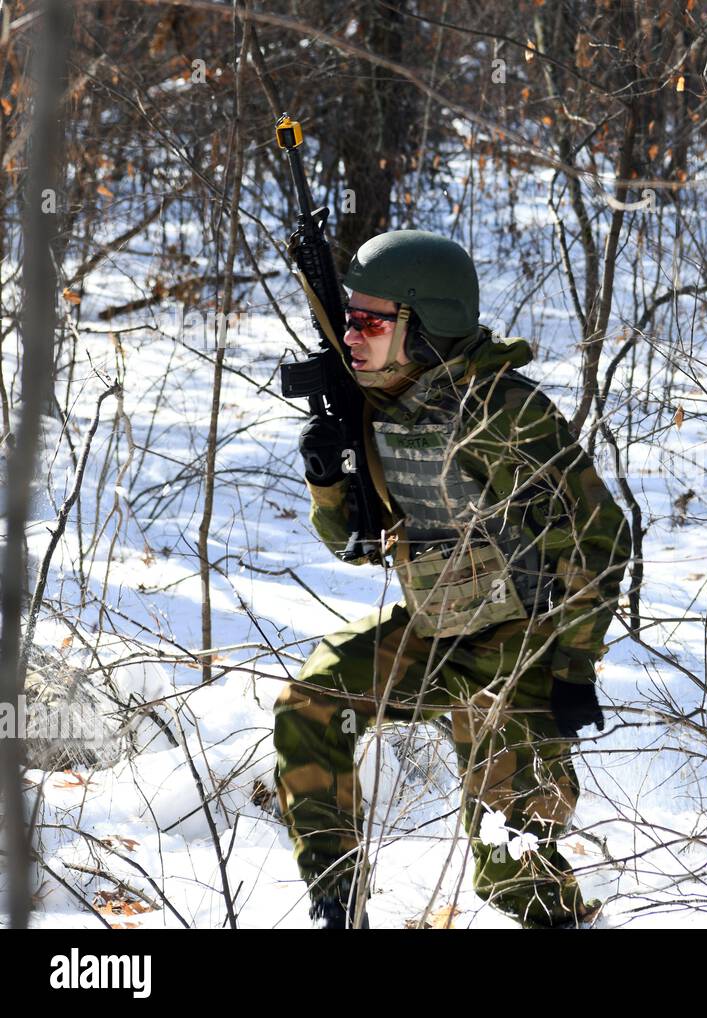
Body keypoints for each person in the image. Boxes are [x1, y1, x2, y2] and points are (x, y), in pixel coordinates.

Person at [275, 230, 631, 928]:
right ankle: (335, 900)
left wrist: (574, 667)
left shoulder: (502, 413)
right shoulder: (379, 403)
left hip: (519, 655)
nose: (352, 335)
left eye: (370, 321)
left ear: (426, 324)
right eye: (349, 318)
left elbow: (596, 536)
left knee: (511, 871)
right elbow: (356, 543)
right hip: (437, 635)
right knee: (311, 702)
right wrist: (328, 479)